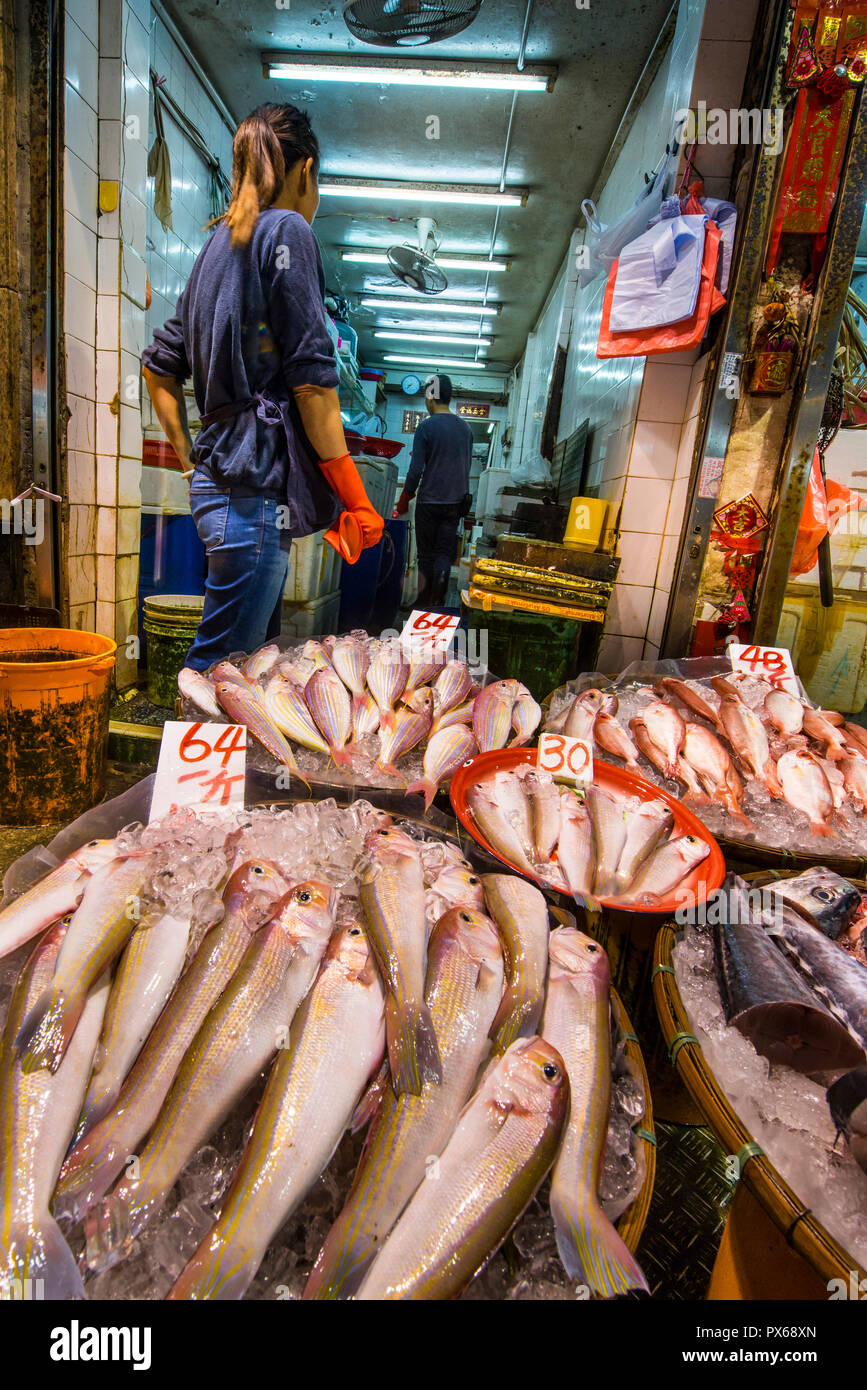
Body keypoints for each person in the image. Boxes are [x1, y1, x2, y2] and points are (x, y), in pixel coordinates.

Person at [142, 103, 383, 670]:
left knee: (248, 668)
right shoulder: (287, 230)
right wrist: (356, 497)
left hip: (221, 493)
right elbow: (312, 386)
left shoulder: (215, 247)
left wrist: (189, 462)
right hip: (248, 497)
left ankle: (235, 759)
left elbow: (158, 369)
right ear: (306, 172)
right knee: (219, 672)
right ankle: (187, 756)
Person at [393, 374, 473, 606]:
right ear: (449, 397)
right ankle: (437, 608)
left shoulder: (426, 427)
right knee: (444, 556)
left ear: (430, 398)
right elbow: (464, 468)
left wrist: (404, 499)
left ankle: (421, 607)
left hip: (429, 503)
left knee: (426, 556)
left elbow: (415, 470)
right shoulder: (466, 429)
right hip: (455, 504)